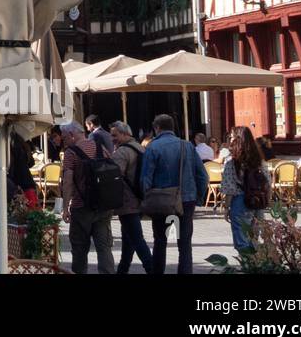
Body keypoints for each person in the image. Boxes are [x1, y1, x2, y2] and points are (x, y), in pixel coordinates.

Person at [141, 114, 208, 275]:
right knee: (184, 243)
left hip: (161, 200)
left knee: (160, 241)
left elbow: (145, 178)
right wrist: (198, 197)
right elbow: (203, 176)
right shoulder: (187, 146)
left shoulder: (153, 147)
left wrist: (145, 199)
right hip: (186, 200)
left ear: (157, 128)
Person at [60, 121, 116, 274]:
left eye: (64, 138)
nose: (64, 142)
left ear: (71, 135)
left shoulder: (71, 152)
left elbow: (67, 182)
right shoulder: (100, 147)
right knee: (104, 247)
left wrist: (65, 207)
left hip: (81, 207)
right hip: (103, 205)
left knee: (79, 248)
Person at [109, 121, 152, 274]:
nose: (112, 138)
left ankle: (151, 268)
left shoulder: (121, 152)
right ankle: (122, 270)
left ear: (124, 134)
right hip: (140, 198)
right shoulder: (141, 148)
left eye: (115, 135)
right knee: (128, 239)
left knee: (137, 239)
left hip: (127, 201)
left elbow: (114, 176)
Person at [222, 126, 271, 252]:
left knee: (242, 240)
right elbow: (268, 182)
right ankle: (255, 261)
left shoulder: (231, 161)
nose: (230, 139)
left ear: (237, 140)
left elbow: (230, 188)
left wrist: (226, 207)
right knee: (253, 239)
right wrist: (267, 201)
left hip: (240, 201)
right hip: (258, 201)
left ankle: (247, 261)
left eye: (231, 137)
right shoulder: (259, 160)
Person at [9, 135, 38, 208]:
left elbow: (11, 166)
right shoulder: (25, 145)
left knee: (23, 209)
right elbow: (31, 163)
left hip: (18, 181)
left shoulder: (11, 146)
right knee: (31, 208)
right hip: (28, 180)